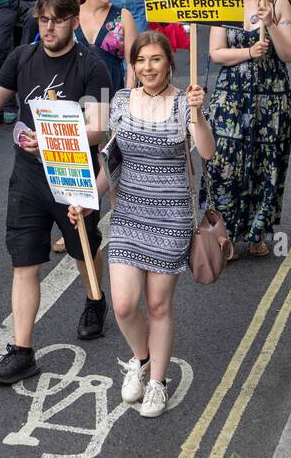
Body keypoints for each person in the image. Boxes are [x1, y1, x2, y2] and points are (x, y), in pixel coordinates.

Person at [0, 0, 111, 383]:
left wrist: (47, 140)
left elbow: (98, 129)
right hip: (28, 178)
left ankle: (95, 300)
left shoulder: (92, 66)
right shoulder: (21, 56)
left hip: (72, 175)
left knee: (85, 249)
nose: (48, 28)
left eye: (57, 20)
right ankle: (22, 350)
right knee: (24, 262)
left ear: (73, 21)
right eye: (43, 20)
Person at [68, 32, 214, 417]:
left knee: (158, 304)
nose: (148, 68)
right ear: (132, 66)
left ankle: (157, 383)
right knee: (124, 304)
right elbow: (111, 162)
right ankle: (142, 357)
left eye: (156, 60)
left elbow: (206, 152)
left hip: (172, 217)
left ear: (169, 63)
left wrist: (198, 114)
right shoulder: (119, 102)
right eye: (141, 61)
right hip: (129, 213)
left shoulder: (186, 101)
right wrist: (88, 200)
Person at [201, 0, 291, 258]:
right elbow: (216, 52)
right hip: (231, 99)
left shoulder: (279, 3)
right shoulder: (226, 2)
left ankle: (258, 230)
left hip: (271, 100)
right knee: (224, 164)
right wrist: (247, 52)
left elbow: (290, 52)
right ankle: (223, 233)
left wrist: (270, 24)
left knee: (264, 164)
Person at [76, 0, 136, 90]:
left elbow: (132, 63)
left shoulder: (124, 16)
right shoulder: (71, 14)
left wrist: (127, 96)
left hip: (110, 91)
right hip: (76, 90)